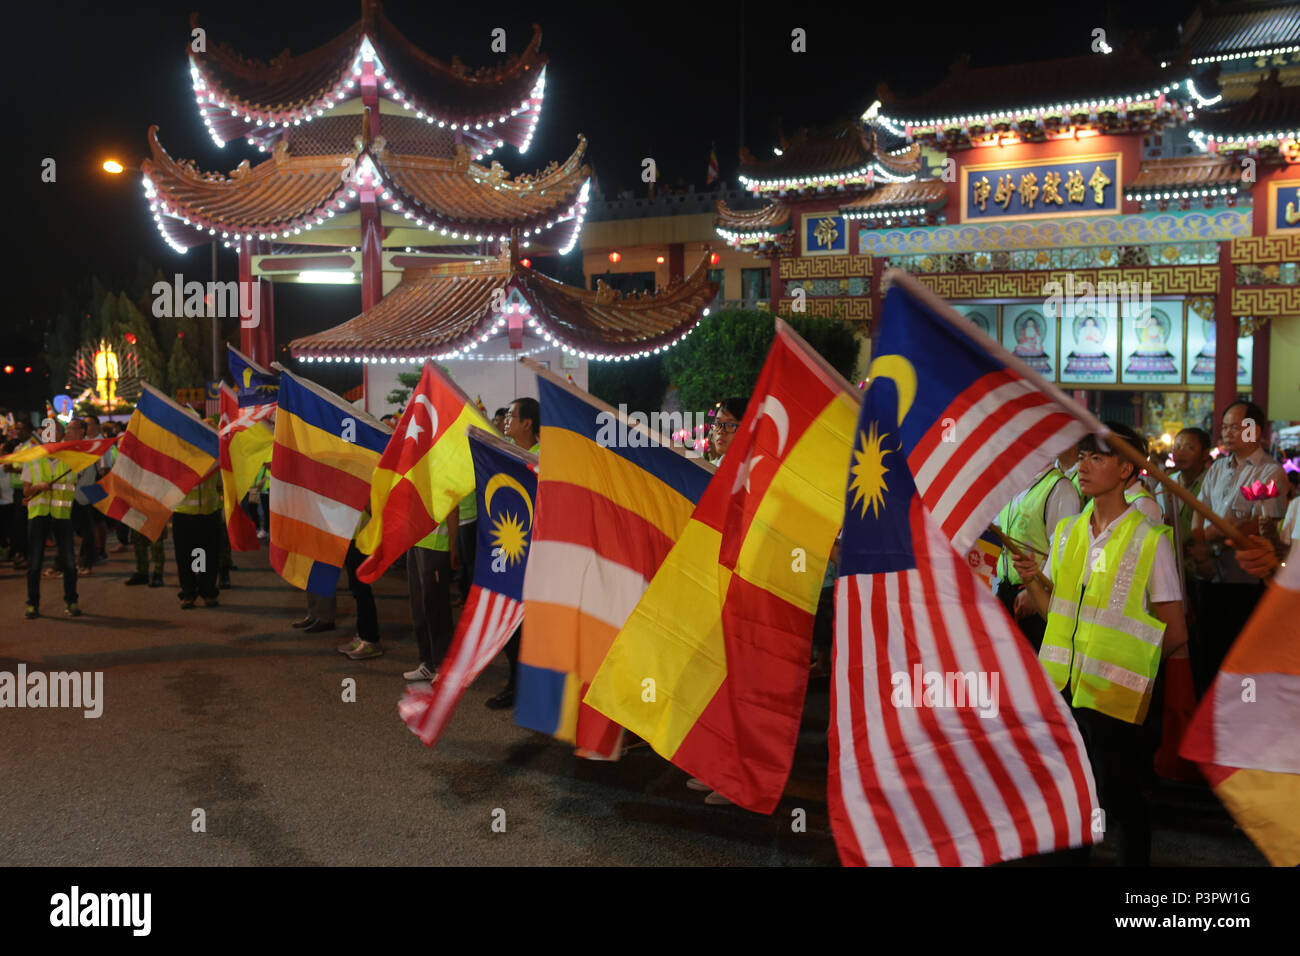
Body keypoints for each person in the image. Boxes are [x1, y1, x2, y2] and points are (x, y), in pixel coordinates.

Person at [1013, 423, 1187, 867]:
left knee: (1120, 796)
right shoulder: (1069, 531)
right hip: (1064, 688)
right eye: (1084, 456)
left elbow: (1175, 629)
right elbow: (1055, 609)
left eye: (1098, 457)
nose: (1084, 466)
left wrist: (1140, 673)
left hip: (1114, 696)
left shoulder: (1150, 538)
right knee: (1073, 793)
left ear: (1128, 468)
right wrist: (1033, 578)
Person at [1187, 401, 1288, 697]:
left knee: (1241, 662)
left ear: (1254, 431)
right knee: (1207, 658)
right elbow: (1199, 509)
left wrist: (1205, 538)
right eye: (1225, 426)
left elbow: (1263, 523)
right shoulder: (1217, 468)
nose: (1228, 432)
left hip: (1245, 581)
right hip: (1209, 577)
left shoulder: (1271, 472)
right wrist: (1200, 546)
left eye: (1235, 427)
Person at [484, 397, 540, 707]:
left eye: (511, 415)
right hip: (508, 546)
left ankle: (524, 687)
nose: (506, 420)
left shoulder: (541, 457)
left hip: (531, 551)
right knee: (510, 620)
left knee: (525, 623)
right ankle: (517, 683)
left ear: (527, 423)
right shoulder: (508, 452)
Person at [994, 460, 1082, 653]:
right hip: (1007, 592)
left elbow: (1063, 551)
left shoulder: (1060, 489)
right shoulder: (1013, 484)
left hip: (1034, 598)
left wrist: (1036, 591)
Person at [21, 428, 80, 618]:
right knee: (35, 564)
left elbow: (73, 484)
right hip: (39, 515)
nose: (49, 440)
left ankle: (71, 601)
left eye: (53, 437)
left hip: (62, 515)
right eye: (46, 437)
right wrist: (38, 487)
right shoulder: (32, 460)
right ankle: (32, 603)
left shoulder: (70, 461)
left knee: (69, 562)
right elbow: (26, 492)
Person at [172, 468, 222, 608]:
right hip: (183, 514)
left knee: (207, 555)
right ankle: (188, 593)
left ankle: (208, 592)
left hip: (209, 512)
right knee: (185, 556)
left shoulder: (214, 457)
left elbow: (221, 484)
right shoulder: (179, 458)